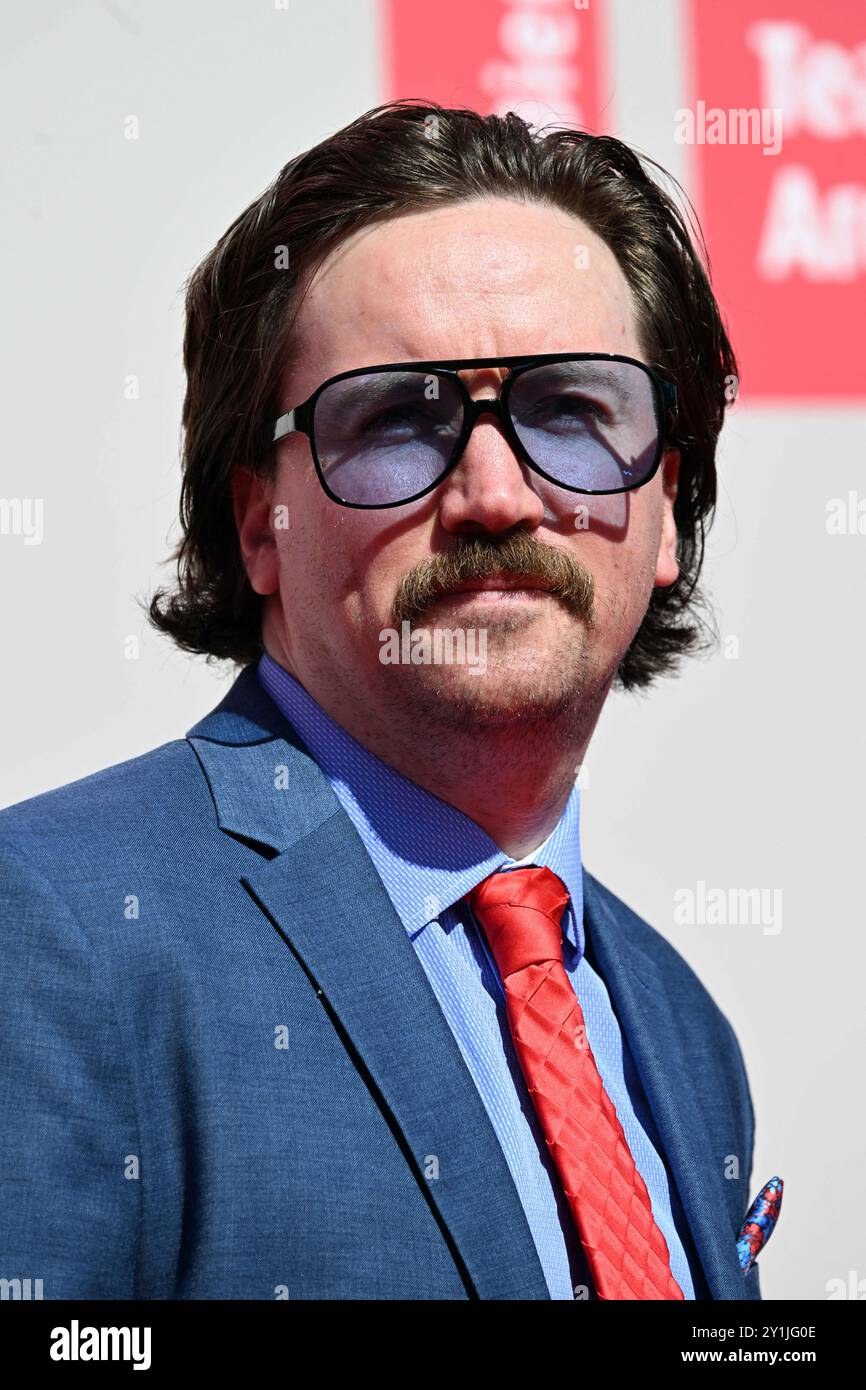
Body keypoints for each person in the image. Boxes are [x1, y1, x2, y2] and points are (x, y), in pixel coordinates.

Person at [0, 100, 769, 1300]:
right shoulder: (54, 934)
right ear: (259, 520)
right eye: (396, 422)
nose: (494, 496)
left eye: (571, 409)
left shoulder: (681, 1028)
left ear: (666, 505)